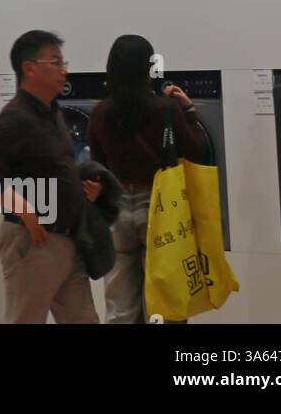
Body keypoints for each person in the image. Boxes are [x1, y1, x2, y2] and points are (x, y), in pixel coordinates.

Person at [0, 30, 100, 324]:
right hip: (33, 241)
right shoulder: (16, 116)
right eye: (55, 62)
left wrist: (83, 191)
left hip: (66, 240)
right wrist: (21, 207)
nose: (64, 70)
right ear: (29, 68)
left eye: (63, 62)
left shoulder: (52, 112)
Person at [87, 34, 209, 323]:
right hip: (160, 209)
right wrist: (189, 111)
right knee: (164, 303)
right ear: (147, 68)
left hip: (117, 210)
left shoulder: (100, 112)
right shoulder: (164, 109)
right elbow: (198, 152)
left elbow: (97, 165)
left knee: (120, 308)